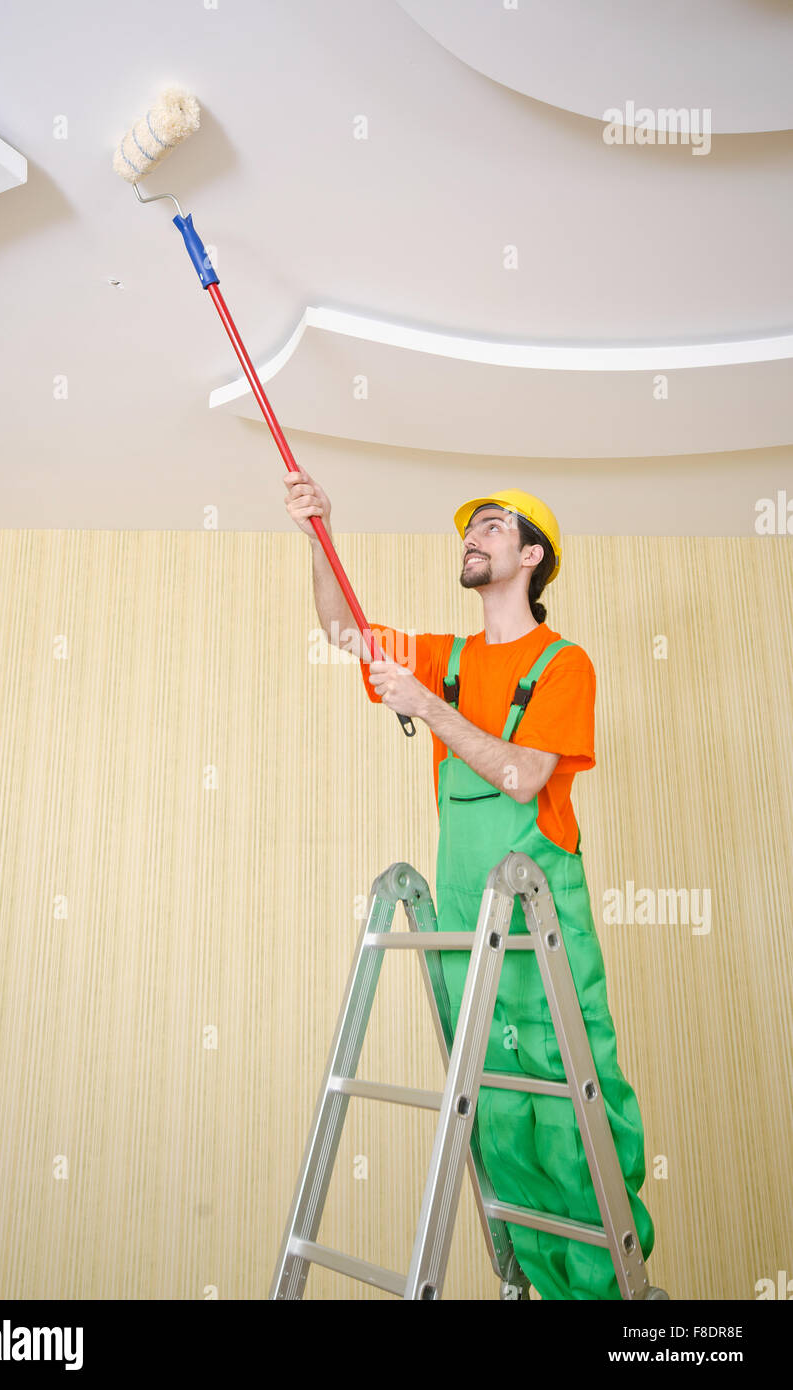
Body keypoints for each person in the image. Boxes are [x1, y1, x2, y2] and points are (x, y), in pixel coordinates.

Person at [284, 466, 655, 1300]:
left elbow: (524, 775)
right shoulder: (443, 657)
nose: (473, 535)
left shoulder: (563, 663)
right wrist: (319, 535)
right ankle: (532, 1282)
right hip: (466, 919)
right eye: (470, 526)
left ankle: (606, 1294)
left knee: (566, 1105)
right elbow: (344, 629)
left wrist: (430, 708)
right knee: (490, 1107)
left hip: (538, 918)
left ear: (531, 555)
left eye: (492, 526)